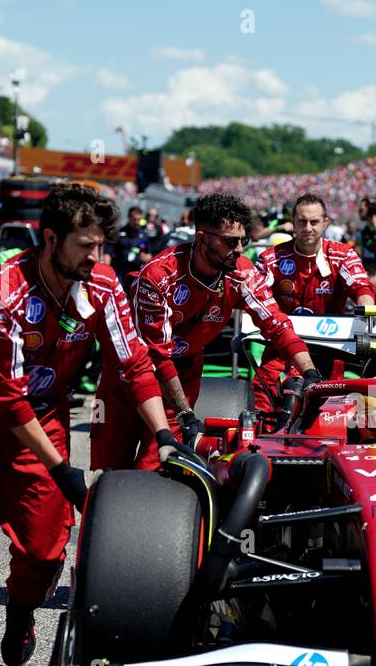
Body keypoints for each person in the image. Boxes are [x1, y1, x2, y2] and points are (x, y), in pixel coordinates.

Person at [0, 184, 179, 666]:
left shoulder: (104, 284)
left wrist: (163, 434)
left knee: (44, 549)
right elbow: (7, 399)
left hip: (43, 416)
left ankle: (21, 610)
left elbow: (134, 365)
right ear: (50, 239)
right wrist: (64, 470)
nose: (97, 256)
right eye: (86, 245)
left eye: (101, 246)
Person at [92, 192, 319, 470]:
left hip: (183, 373)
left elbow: (277, 324)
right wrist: (187, 414)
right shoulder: (158, 277)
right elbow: (156, 356)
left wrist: (310, 373)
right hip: (128, 378)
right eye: (230, 242)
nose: (239, 250)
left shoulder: (242, 273)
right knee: (112, 472)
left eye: (242, 241)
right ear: (201, 239)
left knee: (153, 469)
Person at [254, 193, 374, 413]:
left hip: (329, 347)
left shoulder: (342, 255)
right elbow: (256, 294)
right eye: (302, 221)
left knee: (334, 400)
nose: (308, 228)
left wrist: (367, 310)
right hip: (283, 346)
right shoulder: (272, 258)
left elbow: (361, 287)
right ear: (293, 223)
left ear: (325, 223)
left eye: (314, 222)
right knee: (264, 385)